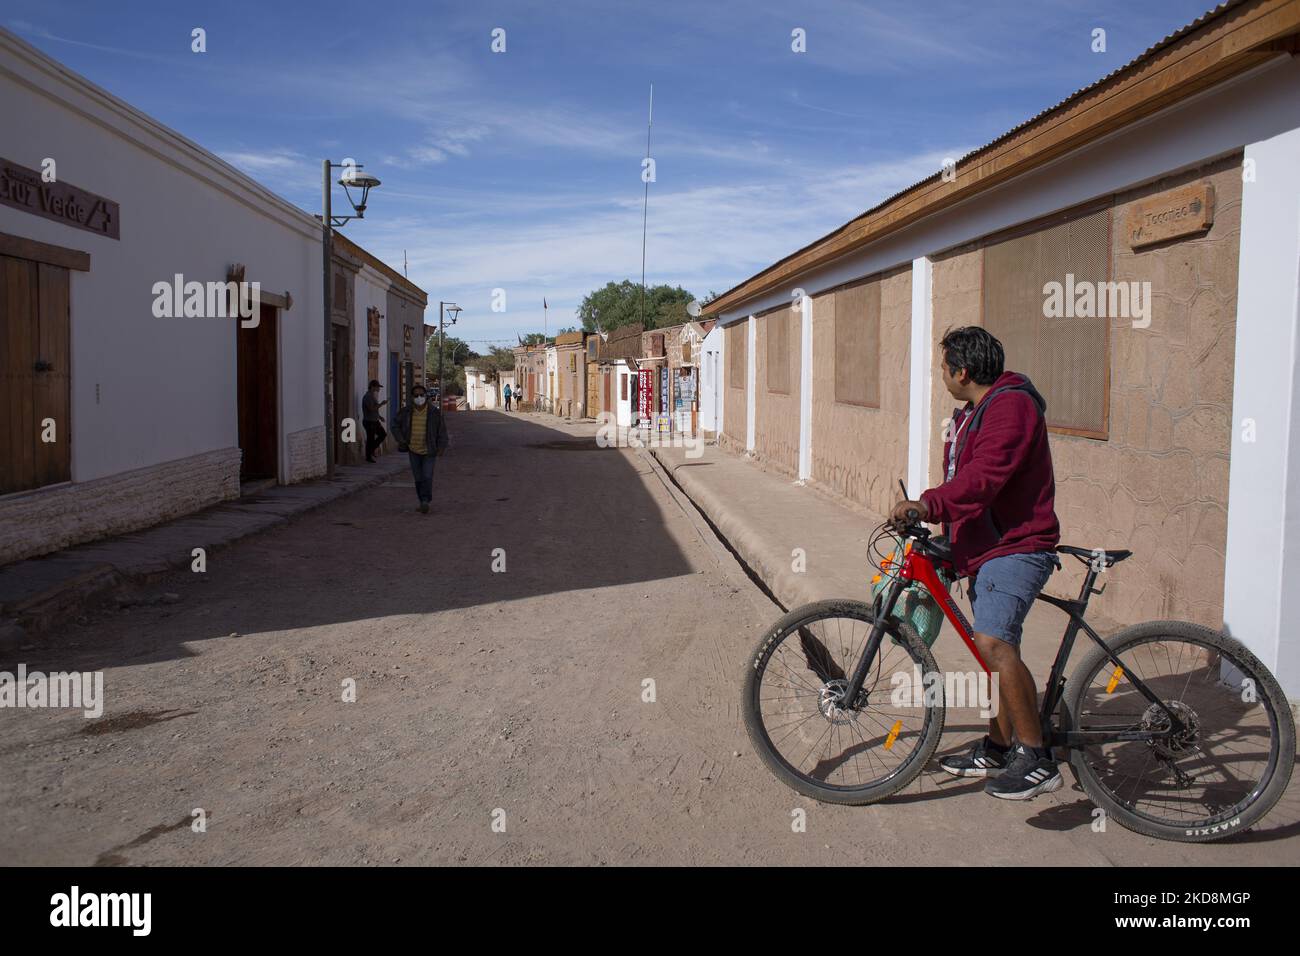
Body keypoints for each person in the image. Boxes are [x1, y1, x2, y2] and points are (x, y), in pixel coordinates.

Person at [890, 326, 1061, 801]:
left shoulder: (1010, 407)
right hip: (989, 547)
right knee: (986, 649)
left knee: (992, 643)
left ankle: (1036, 757)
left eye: (943, 367)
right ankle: (999, 744)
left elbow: (984, 480)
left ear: (962, 371)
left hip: (1019, 547)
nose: (941, 375)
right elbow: (969, 483)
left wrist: (927, 505)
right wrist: (948, 541)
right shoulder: (974, 412)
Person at [392, 384, 449, 514]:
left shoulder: (434, 413)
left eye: (421, 395)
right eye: (416, 395)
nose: (419, 398)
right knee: (418, 478)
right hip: (413, 450)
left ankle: (425, 501)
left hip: (429, 450)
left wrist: (442, 447)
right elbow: (395, 425)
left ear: (426, 396)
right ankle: (422, 500)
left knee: (427, 476)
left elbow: (442, 431)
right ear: (412, 397)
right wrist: (401, 439)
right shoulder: (406, 412)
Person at [361, 380, 388, 462]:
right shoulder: (368, 397)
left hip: (374, 420)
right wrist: (382, 404)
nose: (378, 389)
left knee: (382, 434)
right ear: (372, 387)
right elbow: (371, 409)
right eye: (377, 387)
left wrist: (379, 417)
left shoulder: (372, 396)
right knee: (370, 439)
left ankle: (370, 451)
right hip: (369, 421)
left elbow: (374, 409)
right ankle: (368, 456)